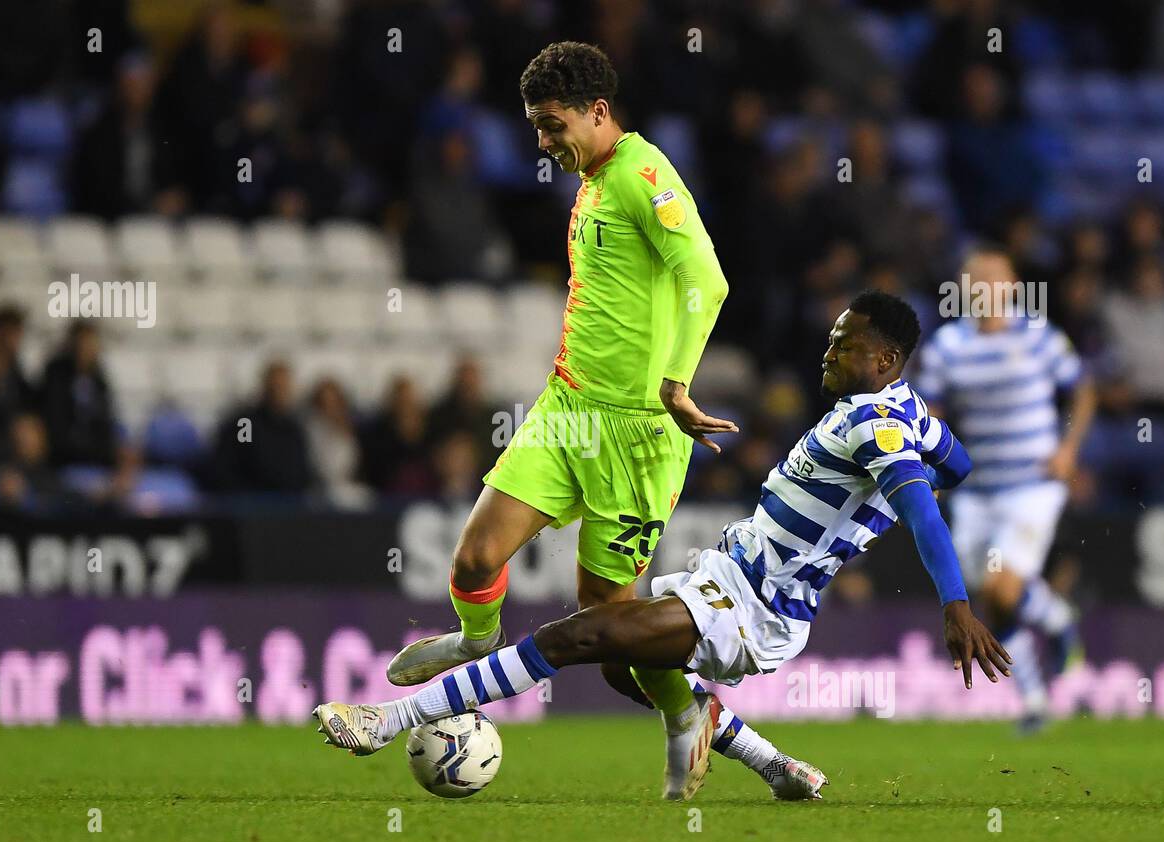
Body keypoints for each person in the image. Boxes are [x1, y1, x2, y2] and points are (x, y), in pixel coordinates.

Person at [317, 291, 1013, 801]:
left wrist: (956, 604)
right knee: (626, 669)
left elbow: (923, 512)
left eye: (847, 344)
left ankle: (390, 720)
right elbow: (956, 468)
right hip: (728, 576)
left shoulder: (878, 428)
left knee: (575, 636)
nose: (829, 352)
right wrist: (893, 491)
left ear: (886, 358)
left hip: (755, 608)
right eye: (831, 339)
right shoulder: (906, 412)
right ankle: (775, 765)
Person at [383, 41, 738, 799]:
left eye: (551, 125)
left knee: (608, 625)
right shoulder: (592, 178)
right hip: (568, 411)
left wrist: (676, 384)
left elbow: (706, 277)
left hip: (640, 434)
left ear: (597, 112)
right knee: (476, 558)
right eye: (534, 127)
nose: (542, 143)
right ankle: (479, 649)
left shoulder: (646, 177)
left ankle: (686, 714)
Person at [915, 245, 1095, 734]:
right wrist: (928, 469)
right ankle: (1038, 687)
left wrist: (1069, 449)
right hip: (975, 490)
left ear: (1013, 285)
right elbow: (929, 412)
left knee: (1002, 585)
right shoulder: (947, 346)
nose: (984, 286)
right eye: (975, 278)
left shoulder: (1039, 336)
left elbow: (1082, 389)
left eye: (994, 277)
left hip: (1031, 485)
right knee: (992, 597)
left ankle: (1056, 629)